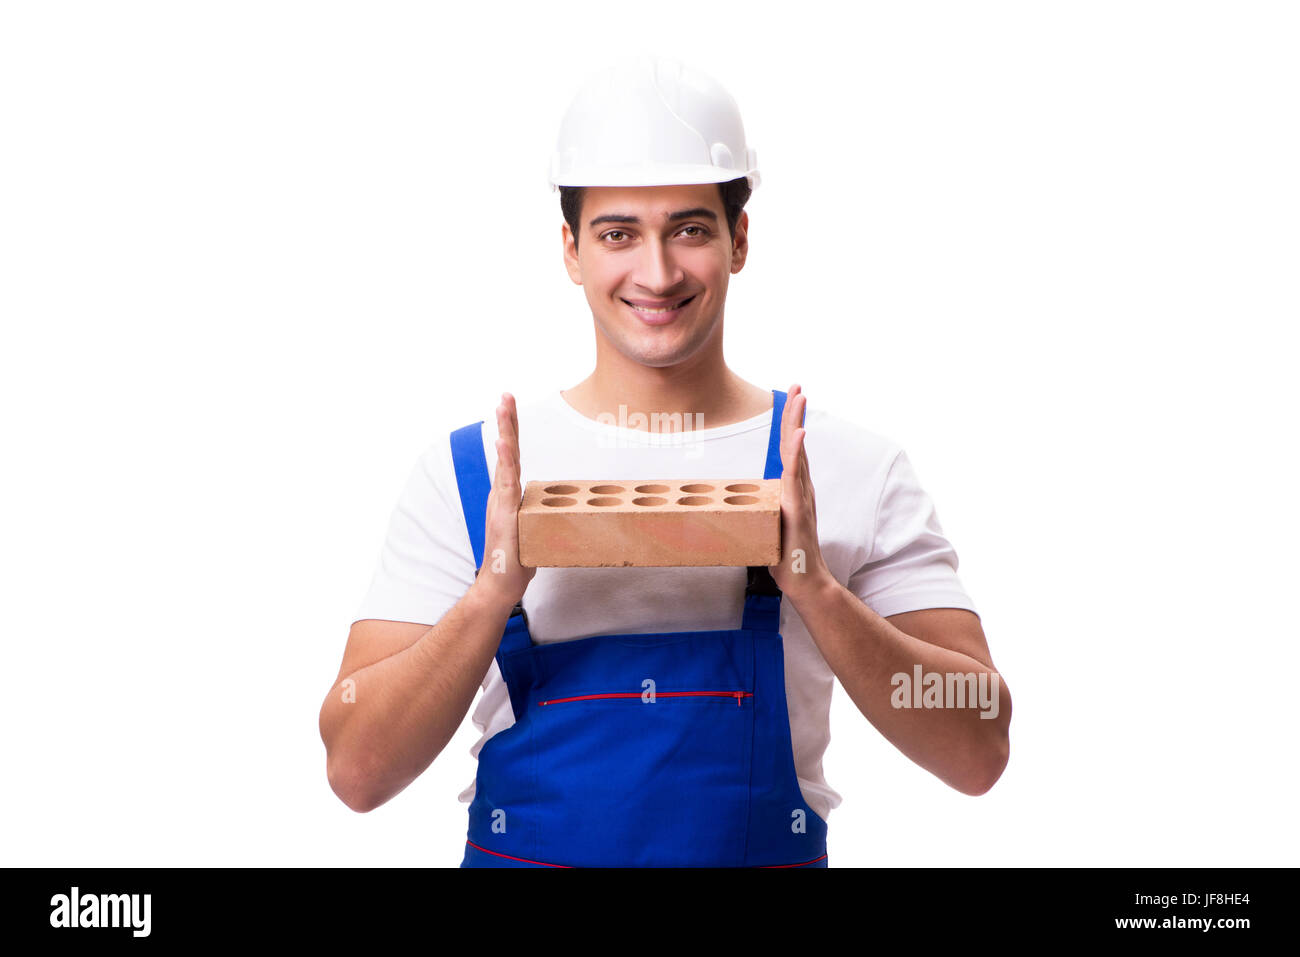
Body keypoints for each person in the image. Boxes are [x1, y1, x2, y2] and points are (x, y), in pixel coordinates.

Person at [319, 55, 1011, 867]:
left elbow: (978, 749)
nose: (657, 272)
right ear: (571, 250)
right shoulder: (472, 478)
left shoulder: (847, 466)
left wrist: (816, 590)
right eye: (619, 234)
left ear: (738, 239)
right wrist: (492, 593)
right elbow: (356, 769)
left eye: (689, 228)